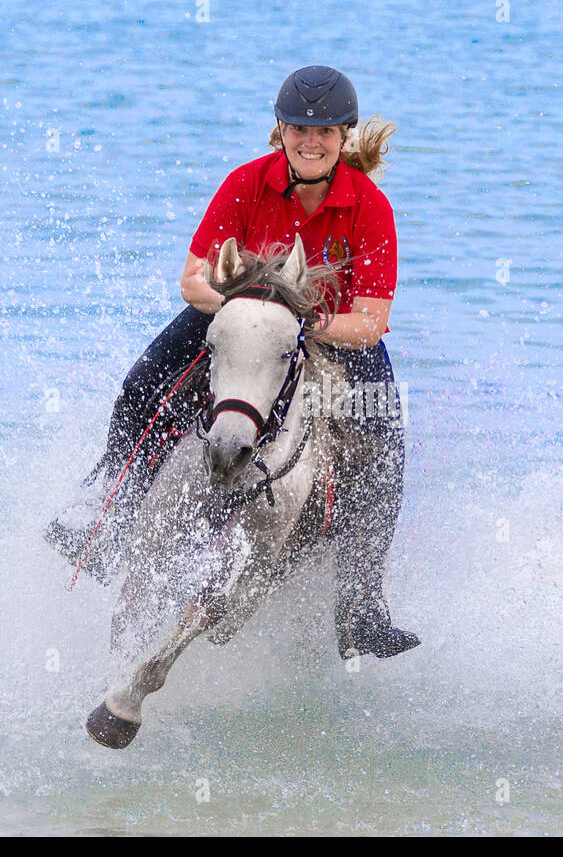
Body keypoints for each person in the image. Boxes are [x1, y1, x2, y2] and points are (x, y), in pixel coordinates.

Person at [47, 65, 419, 660]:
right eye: (299, 127)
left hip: (331, 332)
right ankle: (104, 515)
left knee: (385, 440)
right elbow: (192, 280)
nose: (311, 139)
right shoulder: (247, 182)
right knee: (144, 381)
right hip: (240, 312)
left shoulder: (369, 206)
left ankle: (361, 603)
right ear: (281, 130)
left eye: (325, 130)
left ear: (345, 136)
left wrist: (300, 323)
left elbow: (372, 321)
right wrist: (251, 312)